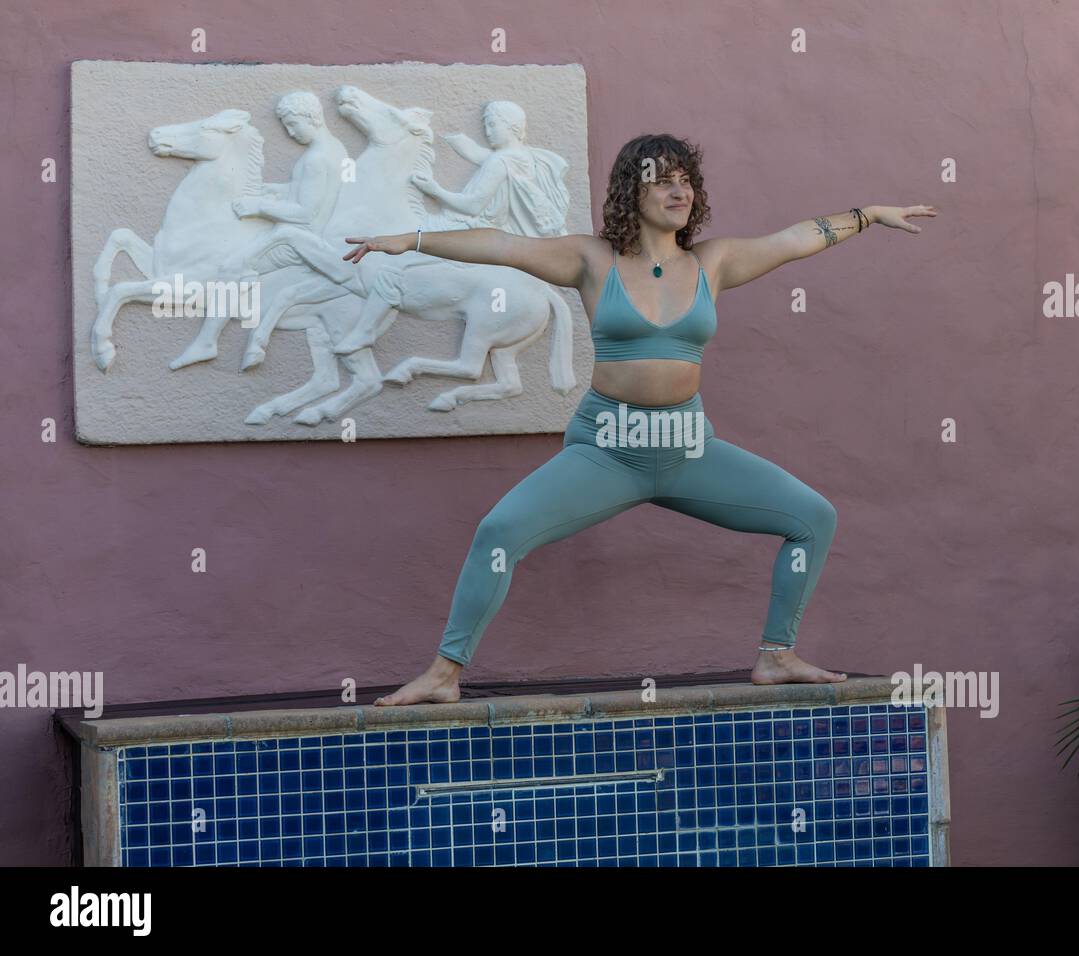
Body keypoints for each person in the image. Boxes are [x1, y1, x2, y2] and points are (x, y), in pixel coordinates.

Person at [343, 134, 937, 705]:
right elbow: (501, 244)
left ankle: (776, 655)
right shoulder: (591, 259)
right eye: (665, 182)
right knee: (500, 532)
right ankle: (445, 672)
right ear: (633, 191)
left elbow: (795, 238)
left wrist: (869, 214)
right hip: (607, 449)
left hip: (688, 450)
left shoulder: (716, 261)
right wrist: (410, 239)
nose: (681, 193)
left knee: (813, 516)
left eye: (688, 183)